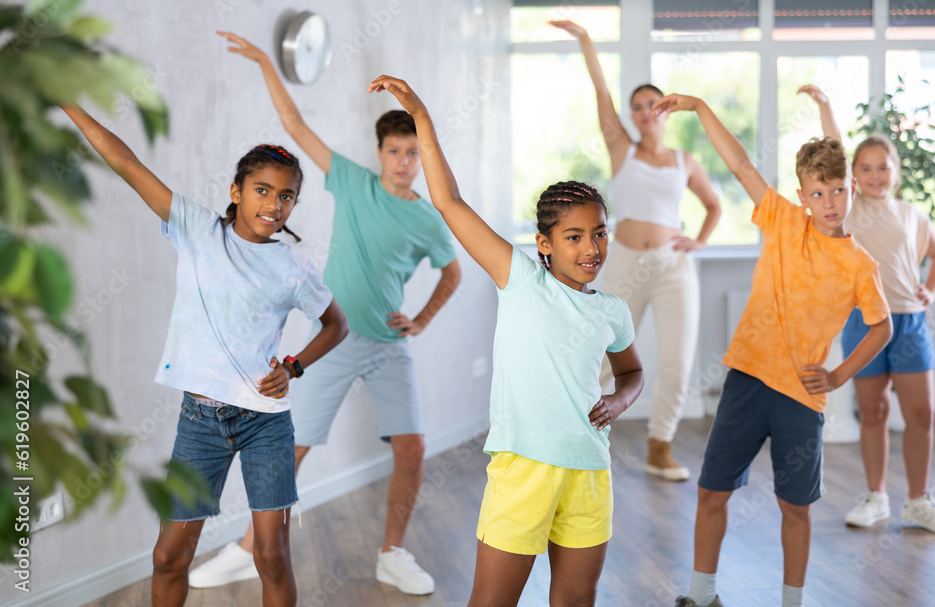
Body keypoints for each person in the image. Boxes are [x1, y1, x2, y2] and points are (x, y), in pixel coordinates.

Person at [186, 33, 462, 596]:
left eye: (413, 153)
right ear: (380, 151)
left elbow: (452, 272)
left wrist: (423, 320)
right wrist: (267, 61)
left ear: (421, 156)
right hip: (330, 341)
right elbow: (293, 125)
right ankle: (245, 551)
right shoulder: (352, 182)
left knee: (413, 448)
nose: (404, 163)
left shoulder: (432, 220)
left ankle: (392, 551)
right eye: (394, 151)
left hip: (388, 345)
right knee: (290, 449)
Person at [367, 75, 644, 607]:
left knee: (575, 600)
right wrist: (421, 114)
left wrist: (618, 399)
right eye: (574, 236)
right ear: (544, 243)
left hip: (589, 471)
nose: (592, 248)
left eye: (600, 233)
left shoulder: (613, 310)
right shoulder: (520, 278)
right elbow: (448, 201)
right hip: (524, 469)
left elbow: (632, 372)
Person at [61, 103, 349, 607]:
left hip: (266, 424)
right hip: (200, 421)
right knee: (169, 556)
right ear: (236, 192)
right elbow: (126, 163)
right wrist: (66, 101)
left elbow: (336, 325)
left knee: (271, 555)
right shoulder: (197, 229)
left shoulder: (293, 268)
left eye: (287, 196)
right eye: (262, 190)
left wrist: (294, 367)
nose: (274, 205)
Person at [653, 93, 892, 607]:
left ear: (851, 190)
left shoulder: (860, 265)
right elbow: (739, 163)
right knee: (710, 492)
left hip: (802, 398)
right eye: (817, 192)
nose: (828, 202)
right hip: (746, 379)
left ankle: (792, 602)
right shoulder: (783, 221)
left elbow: (882, 327)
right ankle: (702, 595)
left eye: (836, 191)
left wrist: (838, 375)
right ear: (802, 196)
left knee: (796, 508)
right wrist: (699, 107)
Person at [550, 20, 721, 481]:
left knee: (677, 360)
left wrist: (699, 239)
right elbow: (601, 94)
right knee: (606, 353)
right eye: (637, 106)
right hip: (625, 260)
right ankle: (576, 426)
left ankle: (659, 445)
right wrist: (587, 40)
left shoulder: (685, 161)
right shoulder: (621, 149)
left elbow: (713, 205)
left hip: (674, 267)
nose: (646, 111)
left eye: (653, 104)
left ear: (666, 110)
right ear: (631, 115)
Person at [800, 85, 935, 534]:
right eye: (864, 168)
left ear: (895, 170)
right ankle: (876, 497)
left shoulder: (913, 215)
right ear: (853, 176)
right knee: (872, 413)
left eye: (882, 167)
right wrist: (826, 107)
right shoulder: (850, 212)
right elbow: (834, 148)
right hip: (864, 322)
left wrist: (930, 289)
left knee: (921, 414)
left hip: (909, 323)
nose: (874, 175)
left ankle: (918, 501)